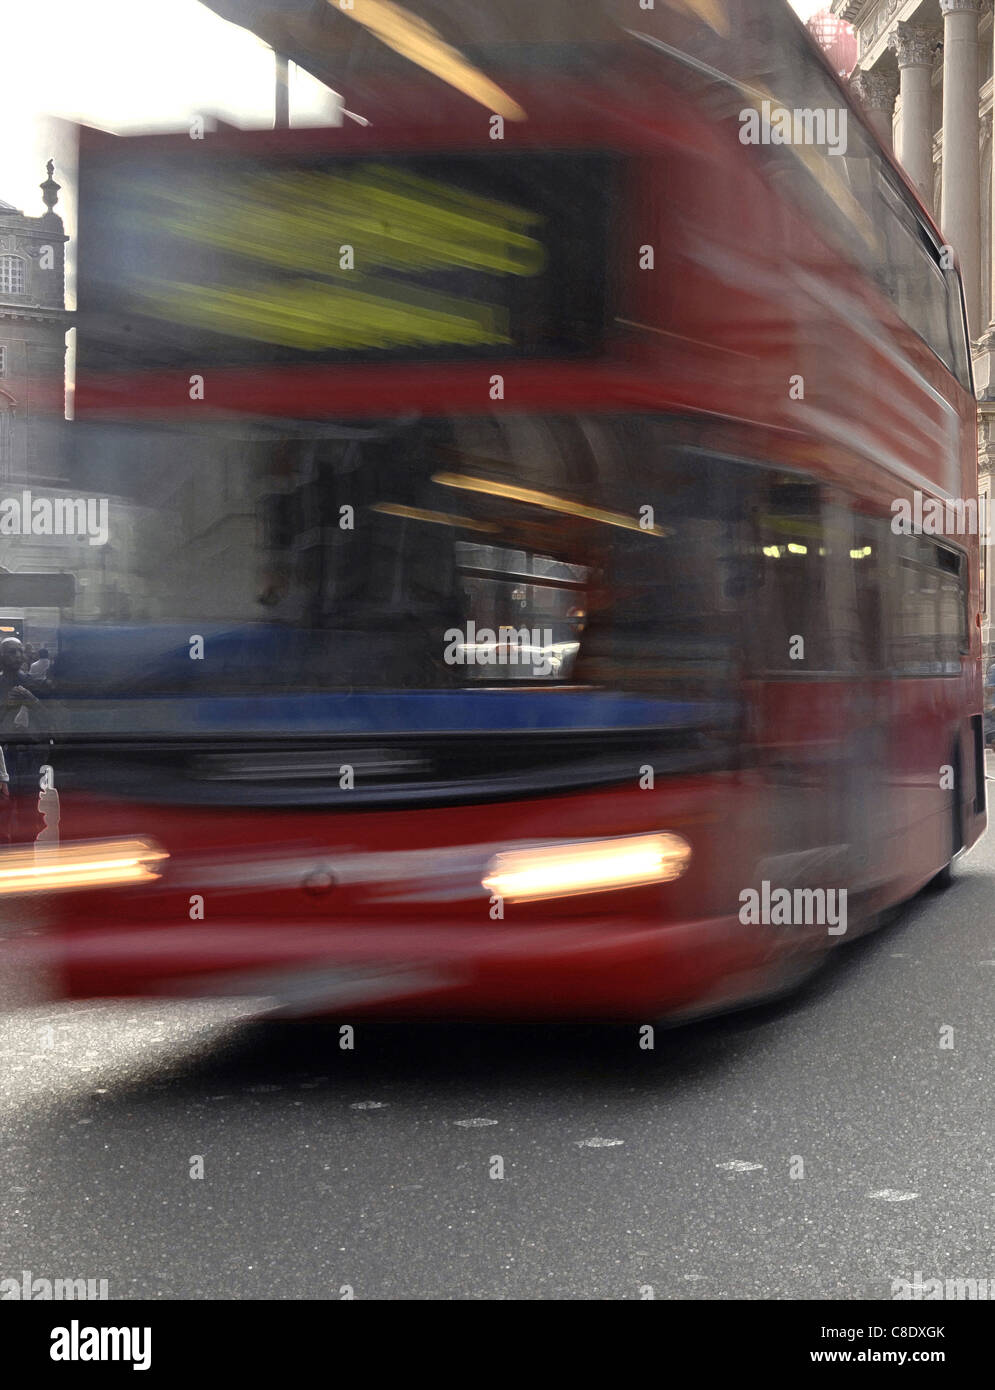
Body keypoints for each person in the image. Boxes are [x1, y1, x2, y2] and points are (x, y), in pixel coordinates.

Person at [0, 637, 50, 843]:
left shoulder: (34, 683)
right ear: (1, 657)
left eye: (20, 651)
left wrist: (32, 701)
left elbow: (49, 719)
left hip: (30, 753)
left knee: (29, 803)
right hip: (4, 754)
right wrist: (7, 707)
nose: (18, 656)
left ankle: (27, 842)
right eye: (12, 652)